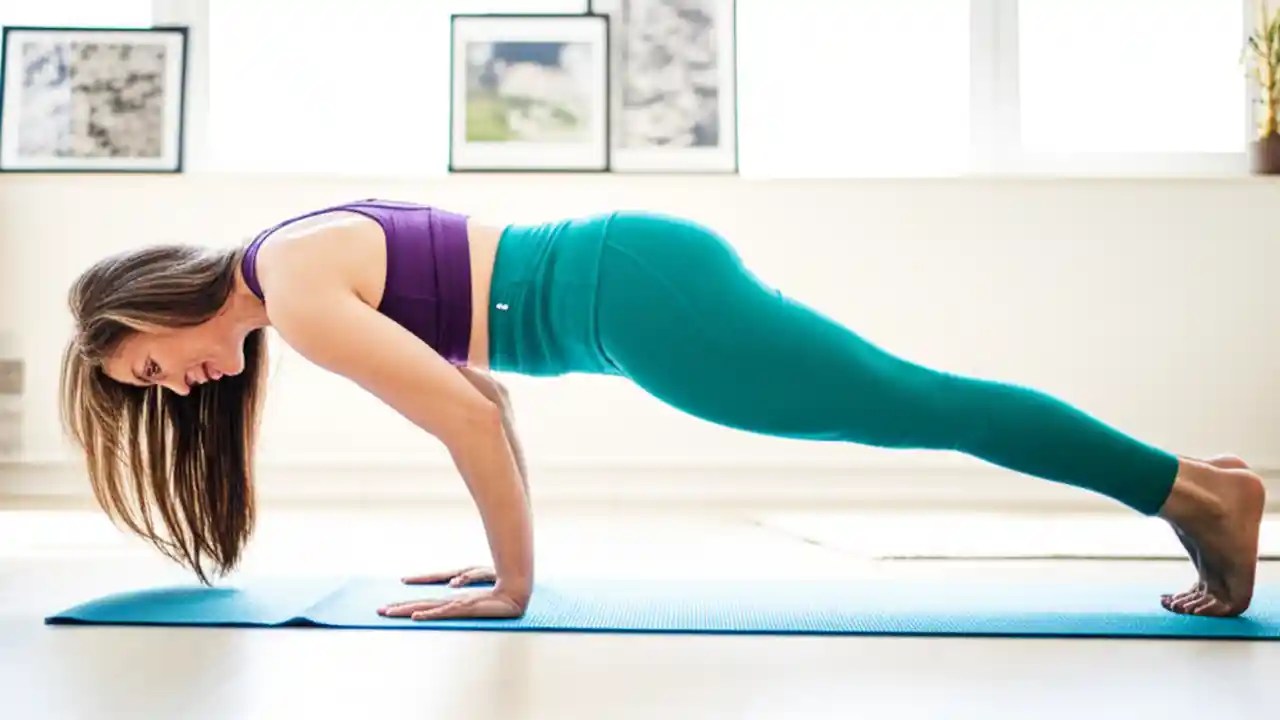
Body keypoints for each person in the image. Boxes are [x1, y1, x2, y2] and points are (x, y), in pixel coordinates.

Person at [59, 199, 1265, 621]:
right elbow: (483, 393)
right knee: (906, 402)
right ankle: (1193, 481)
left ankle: (1192, 494)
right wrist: (494, 561)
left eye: (152, 371)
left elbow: (466, 422)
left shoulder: (298, 295)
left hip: (633, 301)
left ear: (152, 305)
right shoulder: (292, 266)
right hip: (635, 280)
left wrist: (514, 587)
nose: (179, 390)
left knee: (911, 407)